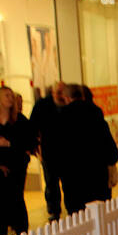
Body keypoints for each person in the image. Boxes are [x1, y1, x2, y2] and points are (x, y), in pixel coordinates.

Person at [59, 85, 118, 213]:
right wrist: (112, 159)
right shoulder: (95, 112)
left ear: (67, 98)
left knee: (78, 215)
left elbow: (59, 148)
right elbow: (106, 141)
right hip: (97, 171)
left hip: (73, 175)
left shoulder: (62, 116)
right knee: (100, 211)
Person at [0, 85, 35, 234]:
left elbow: (29, 142)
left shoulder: (20, 120)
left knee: (16, 198)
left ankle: (21, 231)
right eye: (6, 95)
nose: (10, 98)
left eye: (11, 96)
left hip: (16, 166)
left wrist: (10, 143)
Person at [29, 81, 70, 220]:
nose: (60, 95)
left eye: (62, 92)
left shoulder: (69, 104)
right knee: (51, 182)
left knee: (68, 181)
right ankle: (54, 210)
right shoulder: (42, 105)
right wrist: (35, 146)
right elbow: (32, 126)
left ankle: (71, 207)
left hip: (67, 151)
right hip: (49, 150)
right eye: (57, 92)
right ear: (52, 92)